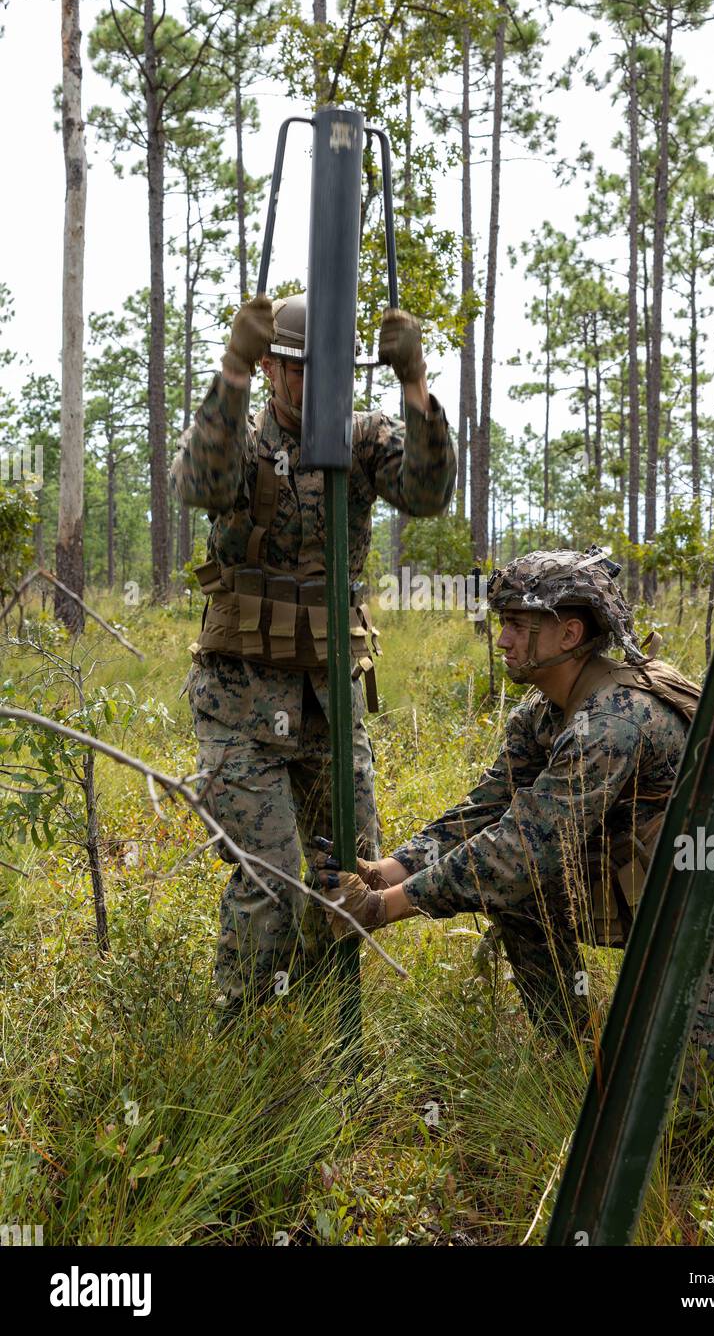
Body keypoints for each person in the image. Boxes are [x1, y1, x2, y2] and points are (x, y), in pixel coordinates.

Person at [319, 546, 714, 1100]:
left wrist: (384, 908)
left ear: (568, 635)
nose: (502, 640)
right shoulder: (544, 714)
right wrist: (384, 871)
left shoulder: (614, 720)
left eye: (518, 625)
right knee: (518, 897)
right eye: (503, 624)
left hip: (713, 924)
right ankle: (576, 1050)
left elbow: (524, 847)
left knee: (689, 1118)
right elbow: (486, 812)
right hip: (652, 891)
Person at [170, 293, 456, 1027]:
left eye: (329, 370)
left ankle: (329, 1035)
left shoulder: (363, 440)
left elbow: (428, 492)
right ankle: (244, 1037)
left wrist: (415, 382)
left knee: (348, 876)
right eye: (298, 368)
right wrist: (230, 371)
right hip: (239, 703)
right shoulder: (243, 440)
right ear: (271, 367)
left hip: (330, 699)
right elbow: (198, 483)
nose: (315, 385)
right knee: (269, 881)